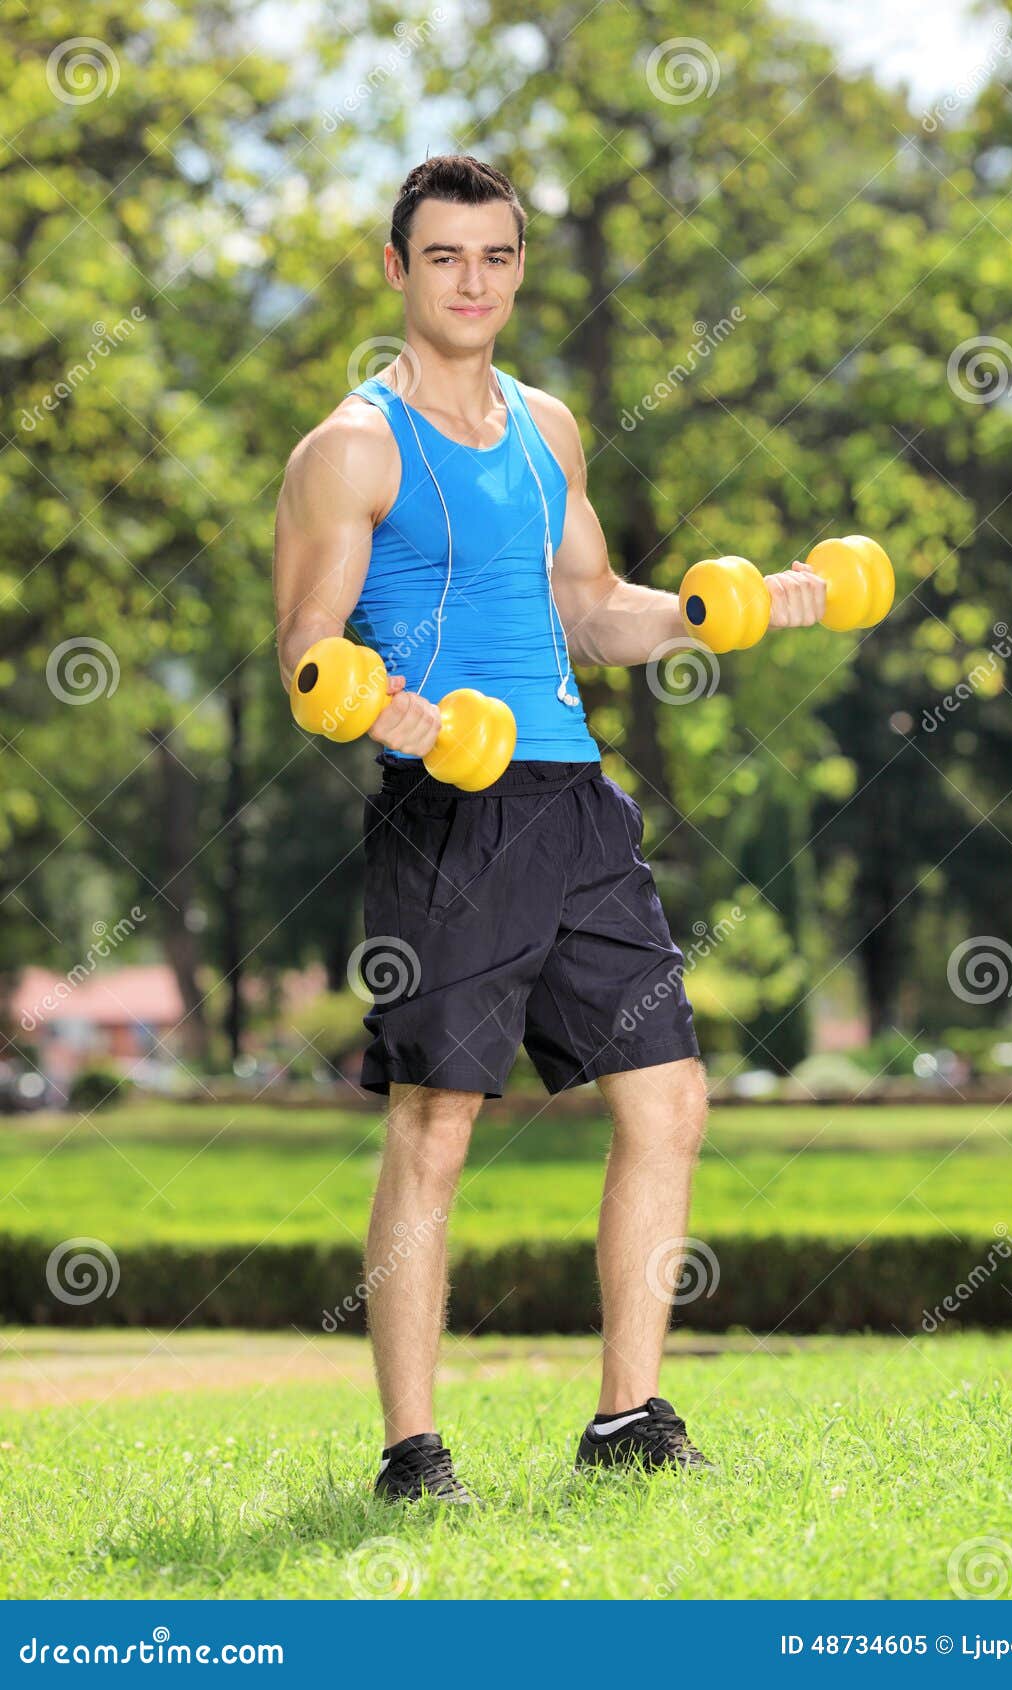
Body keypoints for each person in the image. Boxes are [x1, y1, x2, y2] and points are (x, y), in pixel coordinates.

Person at [272, 154, 827, 1503]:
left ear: (519, 268)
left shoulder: (549, 426)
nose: (474, 280)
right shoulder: (350, 447)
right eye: (446, 256)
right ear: (399, 271)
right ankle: (414, 1452)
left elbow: (595, 606)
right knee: (436, 1122)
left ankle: (626, 1418)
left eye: (498, 256)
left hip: (577, 799)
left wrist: (720, 606)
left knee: (672, 1098)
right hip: (451, 803)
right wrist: (372, 708)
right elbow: (302, 648)